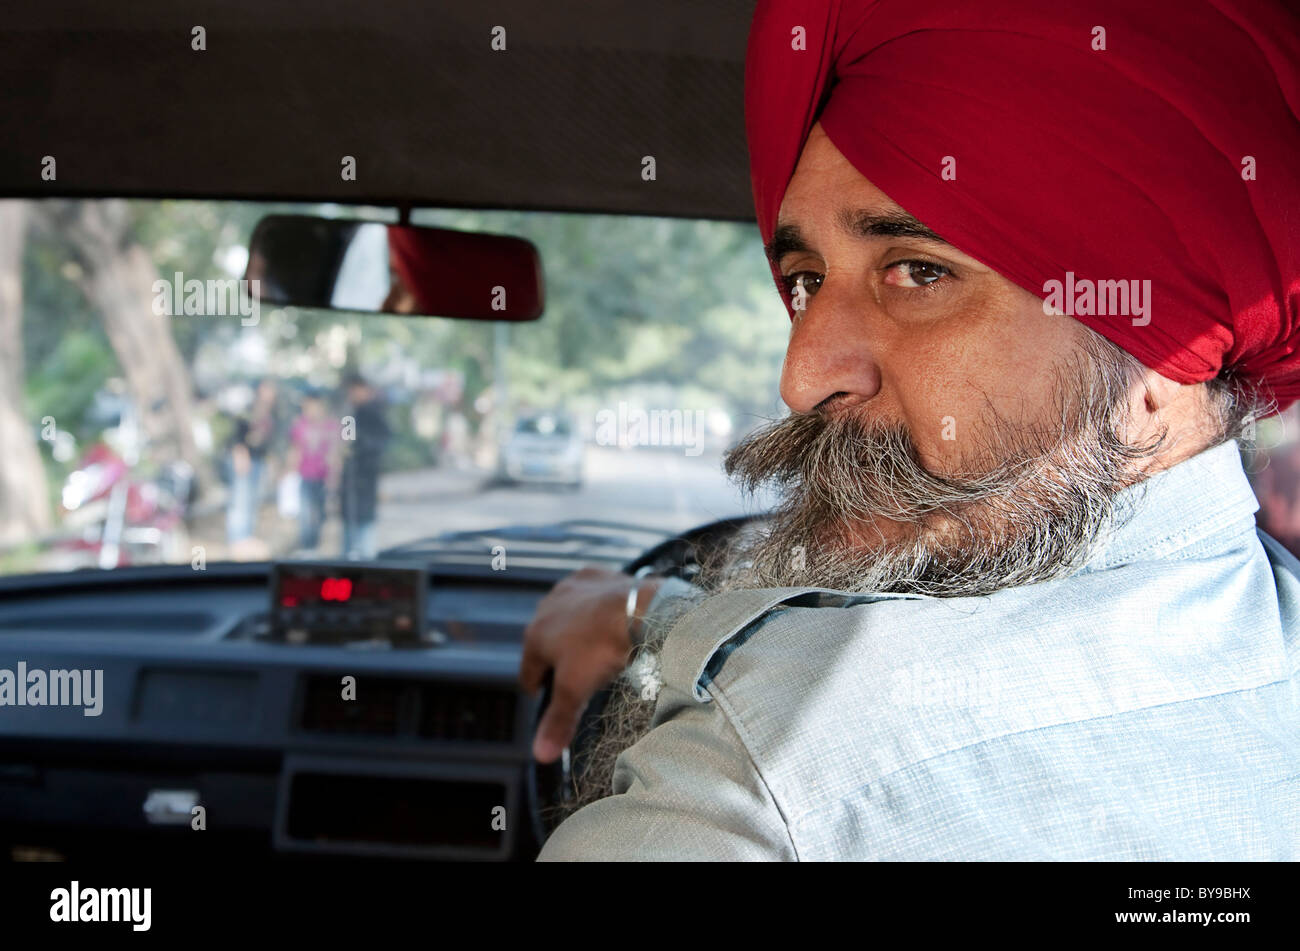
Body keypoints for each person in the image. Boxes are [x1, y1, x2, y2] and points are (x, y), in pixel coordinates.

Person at [526, 0, 1300, 860]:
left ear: (1161, 354)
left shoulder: (755, 790)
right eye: (806, 281)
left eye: (919, 271)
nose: (803, 375)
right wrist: (656, 619)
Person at [225, 377, 281, 558]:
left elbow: (270, 442)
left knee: (252, 500)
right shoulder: (248, 410)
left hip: (259, 461)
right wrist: (240, 456)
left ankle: (246, 537)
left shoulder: (272, 414)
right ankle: (237, 539)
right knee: (240, 500)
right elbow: (236, 436)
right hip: (244, 459)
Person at [338, 373, 390, 559]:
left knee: (365, 527)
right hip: (350, 480)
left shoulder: (374, 413)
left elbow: (381, 442)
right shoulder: (350, 414)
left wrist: (361, 442)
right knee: (349, 527)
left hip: (366, 478)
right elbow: (346, 444)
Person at [287, 391, 339, 553]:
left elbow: (336, 453)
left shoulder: (332, 426)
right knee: (306, 515)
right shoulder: (300, 425)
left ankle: (314, 545)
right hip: (306, 476)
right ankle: (307, 548)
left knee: (321, 515)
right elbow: (295, 450)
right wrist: (288, 474)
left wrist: (334, 476)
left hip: (324, 478)